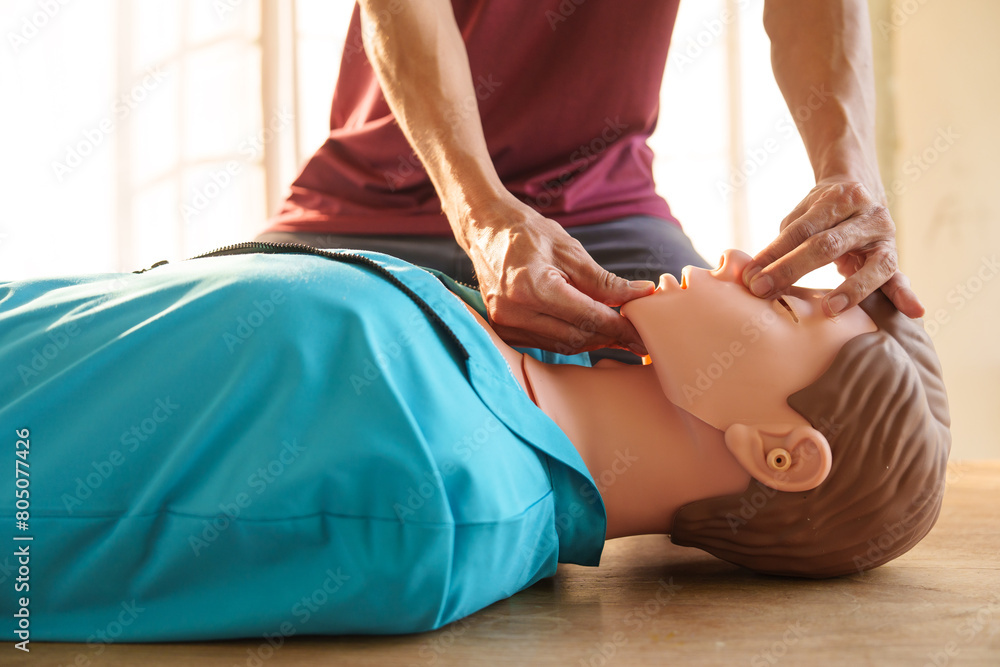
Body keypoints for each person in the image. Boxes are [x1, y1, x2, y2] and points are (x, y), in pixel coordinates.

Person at [0, 243, 947, 642]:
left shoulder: (433, 504)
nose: (744, 261)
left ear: (779, 451)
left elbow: (43, 530)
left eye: (781, 300)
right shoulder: (502, 342)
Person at [256, 0, 926, 362]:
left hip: (601, 197)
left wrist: (848, 172)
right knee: (242, 363)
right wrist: (484, 212)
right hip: (373, 196)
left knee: (798, 408)